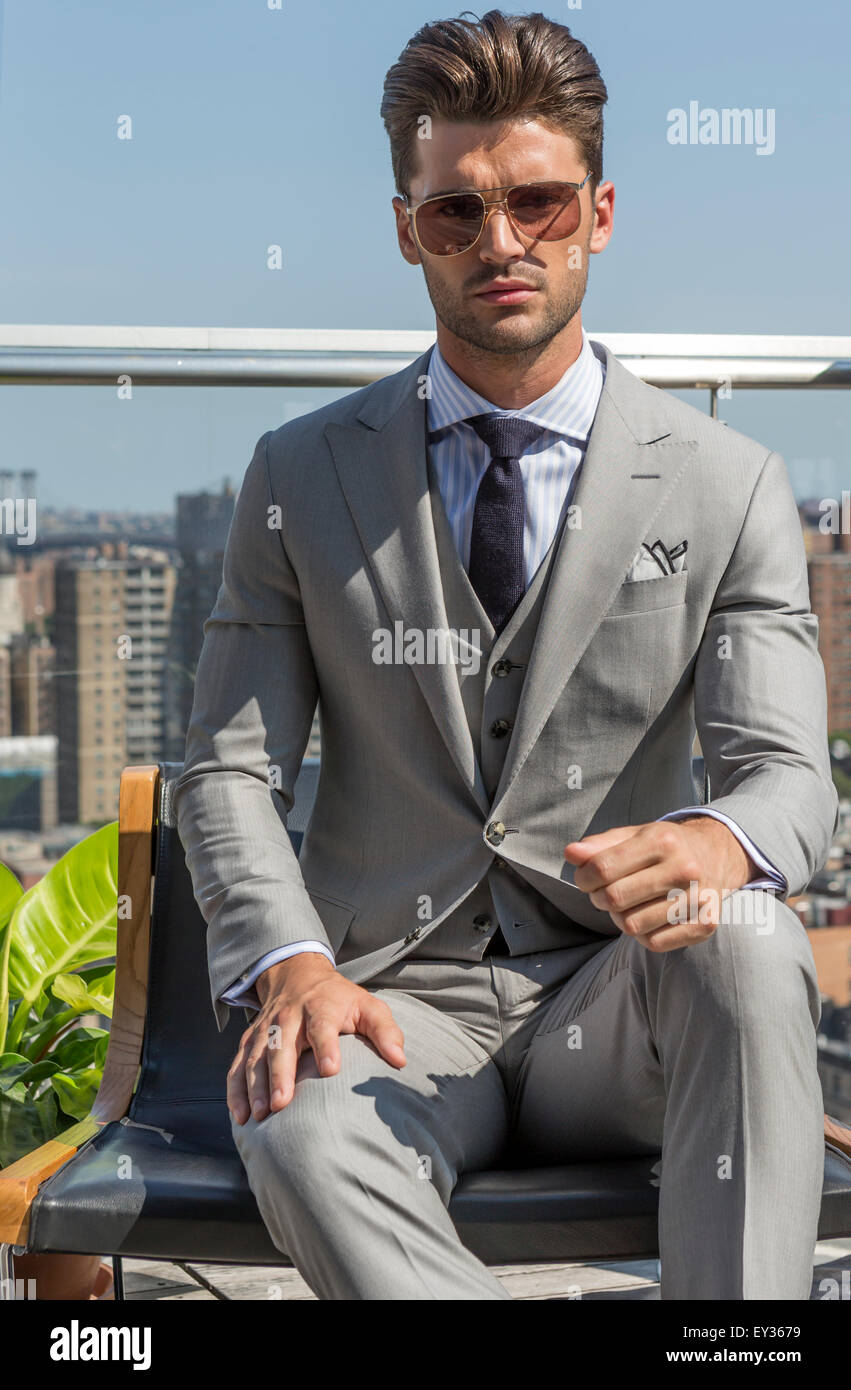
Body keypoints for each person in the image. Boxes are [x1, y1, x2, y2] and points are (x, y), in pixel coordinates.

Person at [174, 9, 838, 1300]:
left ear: (598, 211)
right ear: (405, 228)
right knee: (297, 1117)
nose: (501, 243)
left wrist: (713, 843)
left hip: (625, 1003)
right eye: (456, 213)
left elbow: (789, 778)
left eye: (536, 202)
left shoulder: (729, 483)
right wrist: (293, 962)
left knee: (751, 932)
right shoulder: (299, 476)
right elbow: (228, 768)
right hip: (389, 1005)